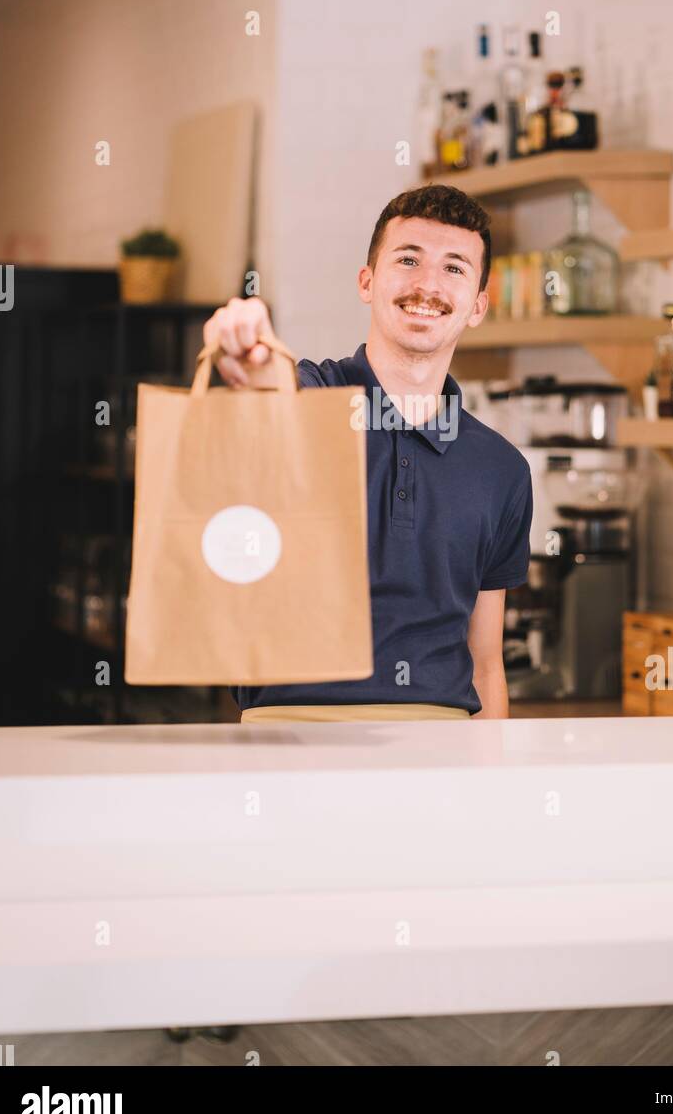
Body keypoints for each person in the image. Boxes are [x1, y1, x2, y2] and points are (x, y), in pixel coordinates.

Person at [203, 184, 533, 723]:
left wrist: (489, 784)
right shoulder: (313, 397)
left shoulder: (500, 470)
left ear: (477, 305)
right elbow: (272, 393)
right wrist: (249, 355)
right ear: (367, 281)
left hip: (442, 742)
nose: (428, 284)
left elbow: (486, 662)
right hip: (288, 734)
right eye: (408, 259)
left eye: (454, 268)